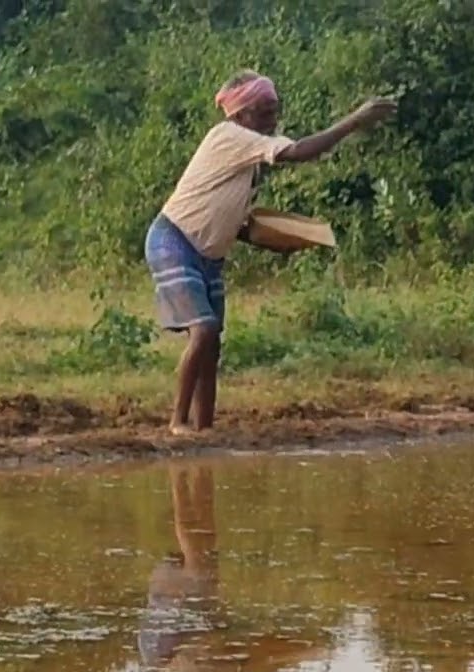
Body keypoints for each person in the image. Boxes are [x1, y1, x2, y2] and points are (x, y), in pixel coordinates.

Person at [145, 70, 396, 435]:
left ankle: (204, 427)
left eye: (275, 110)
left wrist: (277, 238)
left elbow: (234, 217)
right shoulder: (230, 136)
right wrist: (355, 120)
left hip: (208, 252)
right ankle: (177, 421)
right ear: (241, 115)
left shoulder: (247, 160)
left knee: (212, 343)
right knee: (203, 330)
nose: (273, 119)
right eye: (264, 111)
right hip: (174, 241)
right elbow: (298, 152)